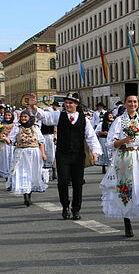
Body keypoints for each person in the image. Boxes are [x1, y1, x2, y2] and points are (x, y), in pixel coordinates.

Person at [99, 94, 139, 238]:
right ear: (125, 103)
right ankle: (127, 224)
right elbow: (110, 143)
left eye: (135, 101)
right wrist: (124, 140)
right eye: (129, 101)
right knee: (126, 190)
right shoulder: (119, 121)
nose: (132, 104)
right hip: (125, 157)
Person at [30, 92, 102, 220]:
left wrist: (95, 152)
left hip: (78, 155)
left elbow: (91, 137)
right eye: (66, 103)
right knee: (62, 182)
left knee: (78, 183)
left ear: (76, 104)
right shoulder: (59, 115)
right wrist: (33, 106)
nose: (67, 105)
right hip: (63, 155)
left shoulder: (84, 119)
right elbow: (44, 116)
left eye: (70, 103)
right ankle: (65, 206)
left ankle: (76, 209)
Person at [5, 110, 47, 205]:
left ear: (29, 118)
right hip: (21, 153)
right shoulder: (17, 128)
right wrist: (5, 139)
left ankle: (29, 194)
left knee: (32, 173)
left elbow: (41, 142)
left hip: (34, 153)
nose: (23, 118)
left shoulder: (35, 128)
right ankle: (26, 195)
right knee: (23, 173)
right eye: (22, 117)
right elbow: (11, 140)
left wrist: (43, 154)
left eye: (25, 117)